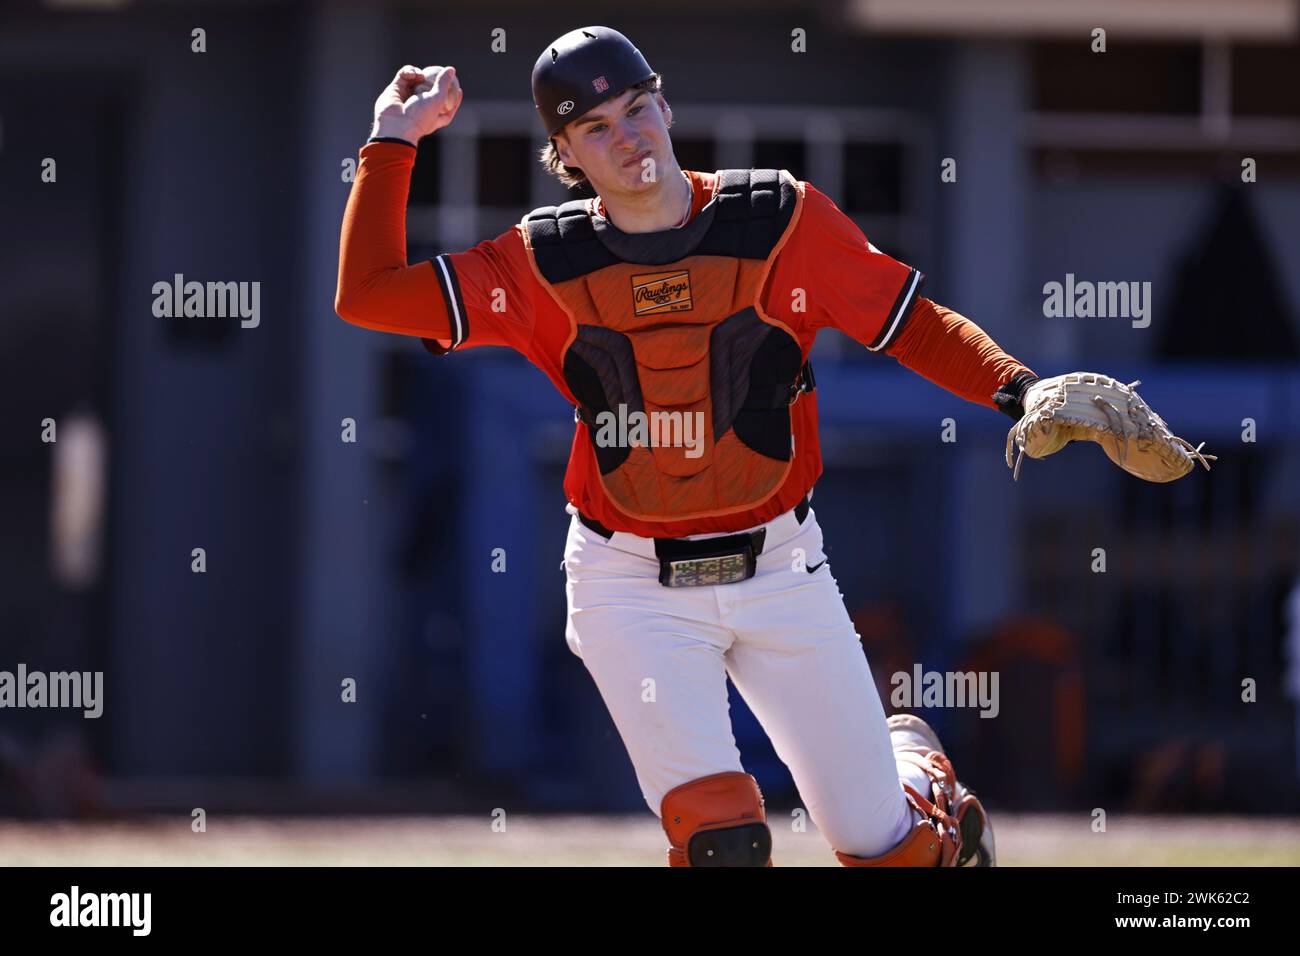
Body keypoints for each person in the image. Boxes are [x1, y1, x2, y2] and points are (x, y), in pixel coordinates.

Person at [337, 26, 1043, 867]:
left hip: (781, 567)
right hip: (629, 581)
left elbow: (910, 324)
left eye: (636, 108)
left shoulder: (780, 218)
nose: (627, 135)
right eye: (594, 127)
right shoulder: (537, 262)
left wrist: (1019, 388)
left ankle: (920, 778)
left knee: (886, 848)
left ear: (665, 105)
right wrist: (393, 140)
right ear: (562, 152)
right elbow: (368, 296)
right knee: (724, 843)